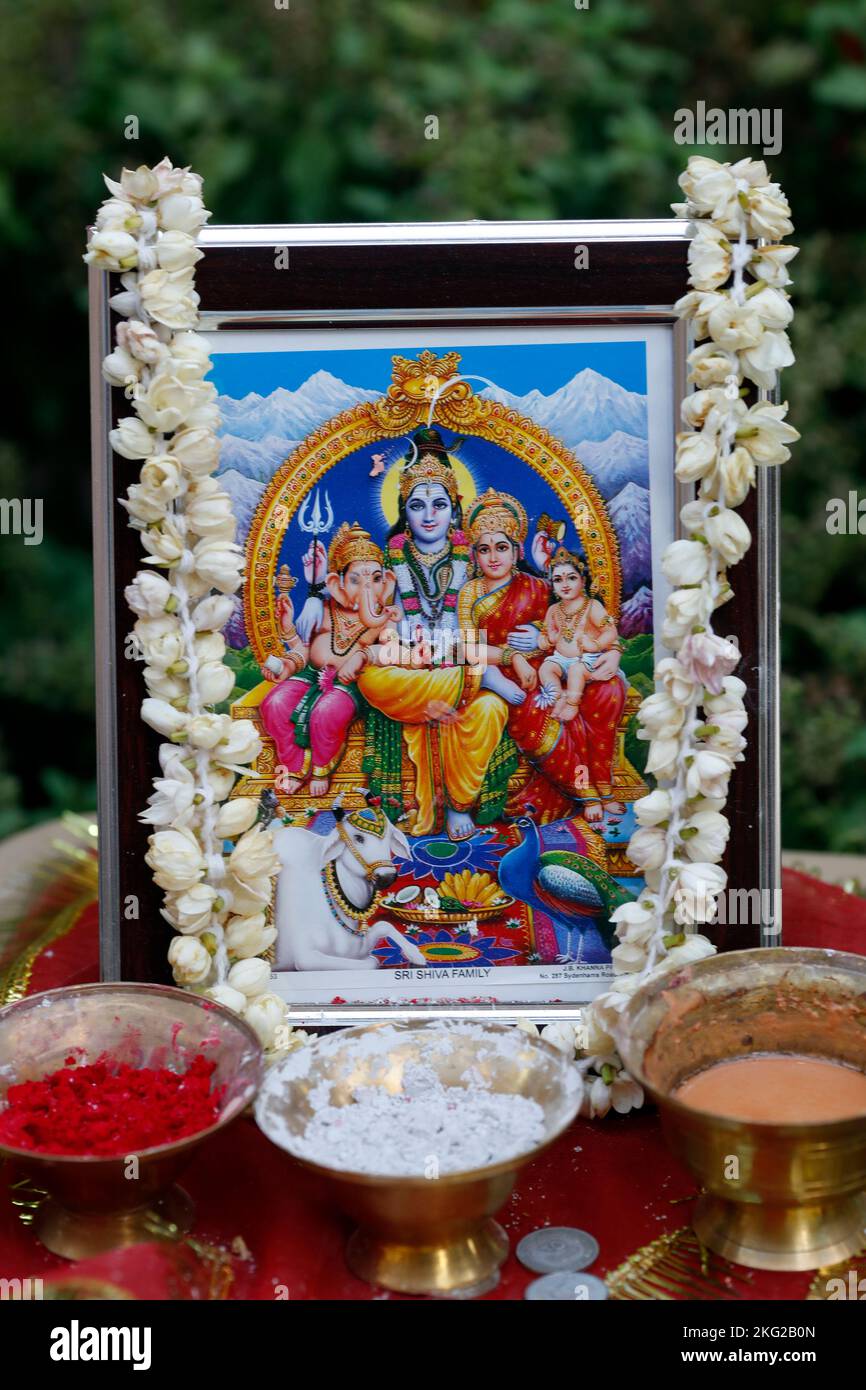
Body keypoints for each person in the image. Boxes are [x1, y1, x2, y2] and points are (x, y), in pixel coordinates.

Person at [355, 428, 512, 841]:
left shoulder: (476, 561)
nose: (429, 516)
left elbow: (505, 608)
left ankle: (459, 807)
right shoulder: (384, 560)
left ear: (454, 511)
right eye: (417, 505)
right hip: (406, 667)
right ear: (403, 511)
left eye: (439, 505)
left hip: (458, 660)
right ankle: (469, 680)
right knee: (372, 677)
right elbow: (367, 617)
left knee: (491, 710)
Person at [459, 487, 627, 824]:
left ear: (516, 550)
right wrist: (512, 657)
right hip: (500, 675)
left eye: (502, 547)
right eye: (484, 549)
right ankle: (584, 790)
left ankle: (603, 783)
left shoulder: (538, 587)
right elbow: (468, 648)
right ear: (474, 555)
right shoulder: (470, 594)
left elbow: (572, 626)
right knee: (541, 712)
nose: (494, 557)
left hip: (551, 666)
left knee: (609, 691)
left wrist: (614, 651)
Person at [537, 548, 619, 722]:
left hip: (586, 661)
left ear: (583, 581)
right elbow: (545, 633)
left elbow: (611, 631)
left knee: (576, 670)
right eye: (558, 580)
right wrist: (546, 640)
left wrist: (595, 645)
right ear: (552, 585)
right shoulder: (553, 610)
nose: (565, 584)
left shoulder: (592, 606)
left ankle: (572, 703)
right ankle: (559, 697)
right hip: (559, 658)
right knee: (546, 669)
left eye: (571, 578)